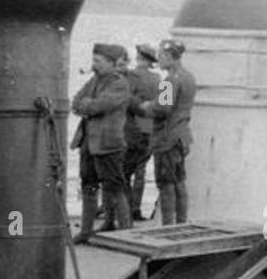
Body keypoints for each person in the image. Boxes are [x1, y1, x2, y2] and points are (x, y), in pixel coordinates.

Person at [70, 43, 132, 241]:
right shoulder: (95, 80)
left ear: (112, 63)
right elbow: (76, 102)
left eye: (98, 61)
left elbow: (97, 106)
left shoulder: (119, 83)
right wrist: (87, 105)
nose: (94, 65)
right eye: (94, 60)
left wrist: (87, 105)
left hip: (109, 143)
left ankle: (127, 233)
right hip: (89, 141)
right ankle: (88, 230)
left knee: (115, 186)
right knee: (88, 184)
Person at [152, 39, 195, 225]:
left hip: (167, 138)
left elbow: (163, 108)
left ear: (169, 56)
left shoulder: (169, 80)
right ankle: (182, 223)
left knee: (166, 184)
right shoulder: (189, 77)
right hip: (181, 136)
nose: (158, 60)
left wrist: (145, 105)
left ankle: (167, 226)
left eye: (160, 55)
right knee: (179, 182)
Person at [124, 43, 160, 220]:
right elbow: (164, 105)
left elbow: (125, 98)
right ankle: (136, 207)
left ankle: (125, 208)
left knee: (124, 171)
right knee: (141, 171)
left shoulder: (132, 76)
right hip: (152, 128)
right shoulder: (159, 79)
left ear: (140, 58)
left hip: (134, 128)